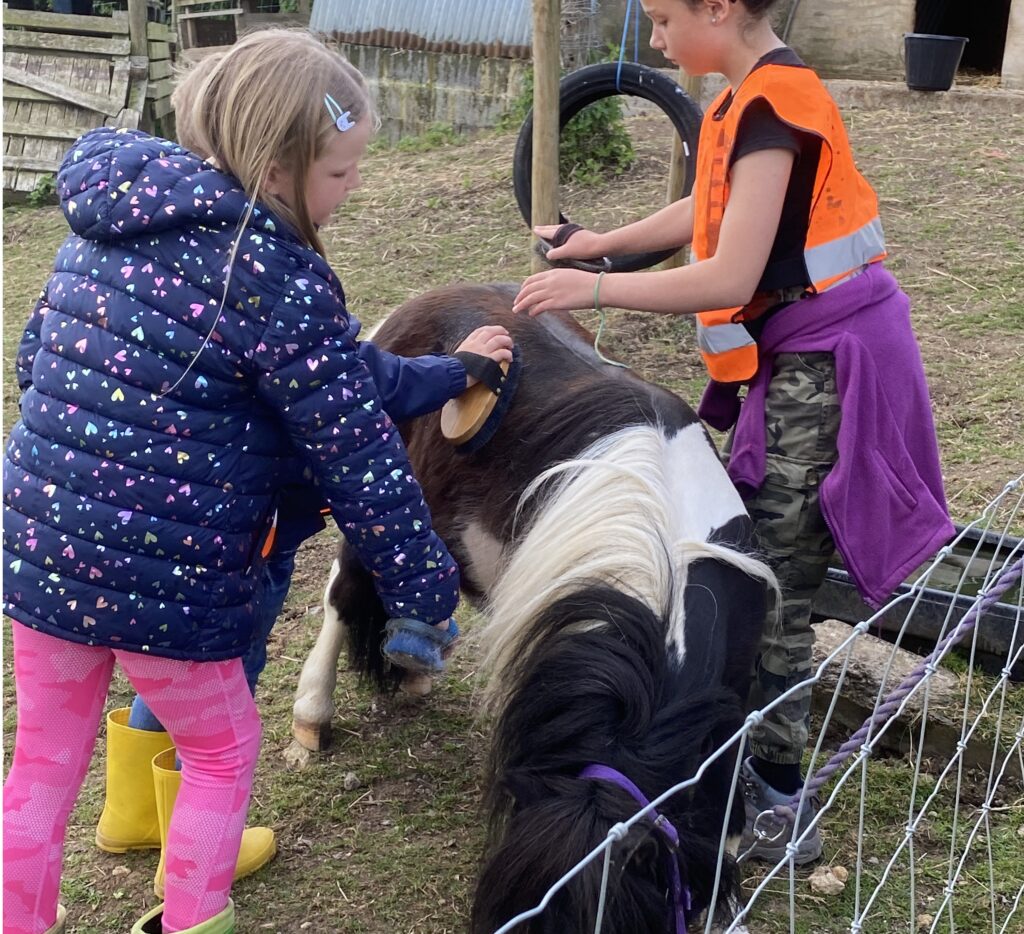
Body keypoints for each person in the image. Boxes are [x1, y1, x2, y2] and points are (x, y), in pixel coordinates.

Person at [3, 28, 512, 934]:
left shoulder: (108, 222)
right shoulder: (276, 274)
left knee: (41, 764)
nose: (354, 188)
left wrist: (447, 372)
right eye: (342, 171)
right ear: (278, 166)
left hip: (43, 557)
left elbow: (34, 361)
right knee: (224, 748)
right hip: (175, 581)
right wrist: (424, 591)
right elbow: (360, 458)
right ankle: (193, 918)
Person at [513, 0, 954, 865]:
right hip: (796, 355)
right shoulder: (741, 100)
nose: (657, 39)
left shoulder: (776, 107)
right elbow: (705, 212)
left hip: (826, 369)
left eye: (664, 18)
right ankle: (752, 760)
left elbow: (731, 272)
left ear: (718, 7)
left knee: (777, 586)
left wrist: (592, 290)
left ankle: (781, 802)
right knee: (759, 560)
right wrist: (602, 244)